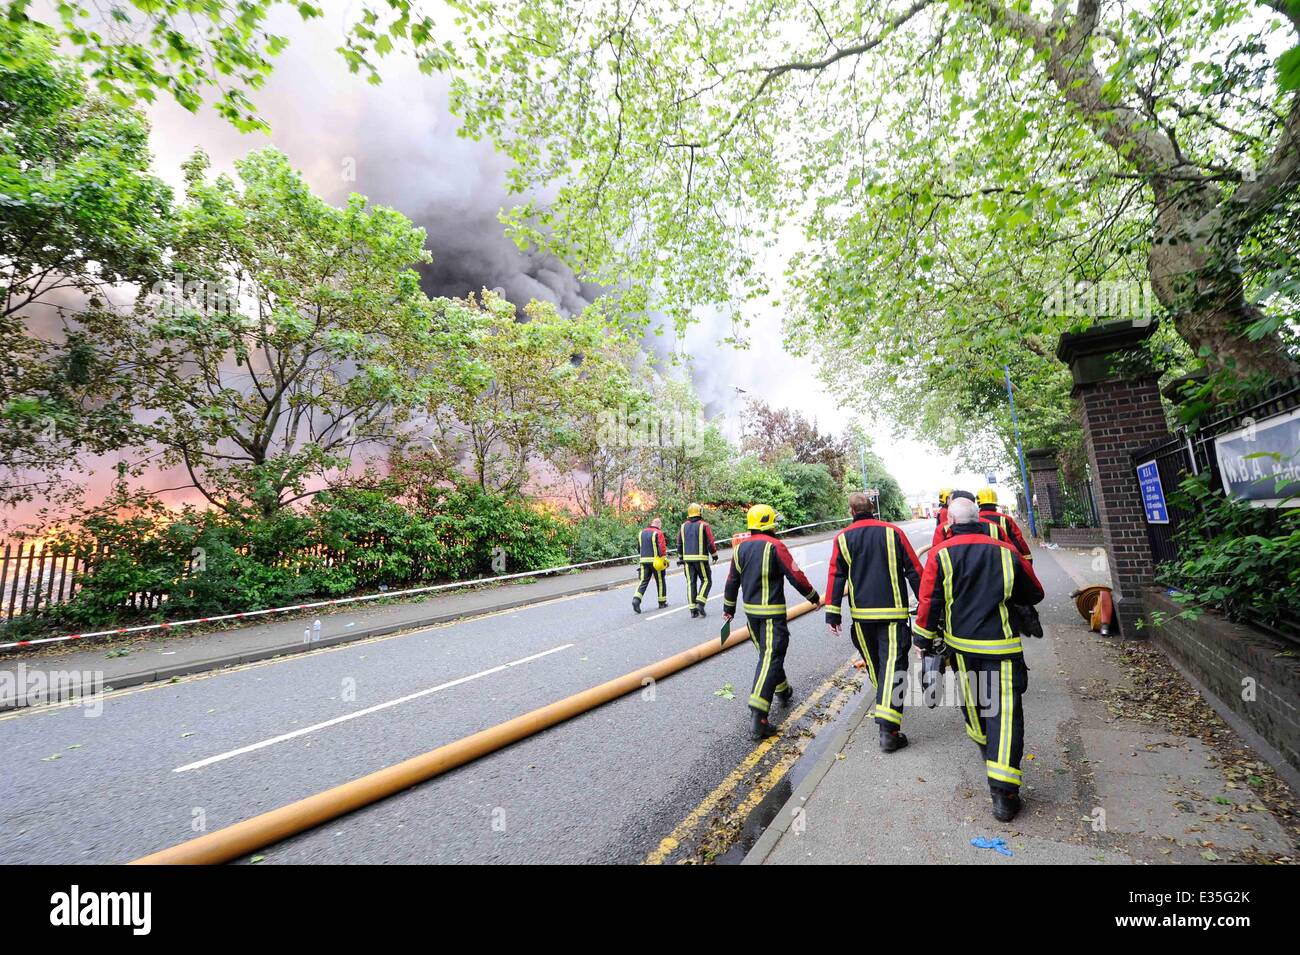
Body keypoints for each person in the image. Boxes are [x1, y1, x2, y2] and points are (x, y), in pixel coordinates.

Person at [912, 497, 1044, 822]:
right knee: (1006, 715)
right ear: (979, 519)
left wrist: (922, 641)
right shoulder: (1006, 552)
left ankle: (986, 749)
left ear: (951, 522)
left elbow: (930, 600)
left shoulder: (941, 554)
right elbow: (1035, 593)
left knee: (974, 704)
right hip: (1001, 648)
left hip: (962, 650)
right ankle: (1004, 796)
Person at [824, 492, 923, 752]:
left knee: (878, 666)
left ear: (851, 511)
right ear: (872, 509)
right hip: (892, 615)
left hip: (861, 618)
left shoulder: (842, 538)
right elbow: (913, 569)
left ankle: (886, 710)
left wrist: (832, 613)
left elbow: (836, 575)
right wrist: (926, 604)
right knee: (893, 666)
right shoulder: (893, 533)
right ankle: (888, 729)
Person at [722, 504, 821, 739]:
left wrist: (728, 609)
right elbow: (795, 574)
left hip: (751, 617)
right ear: (769, 522)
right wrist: (813, 597)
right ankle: (759, 716)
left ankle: (783, 690)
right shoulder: (775, 546)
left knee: (769, 655)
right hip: (771, 615)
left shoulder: (740, 549)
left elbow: (731, 581)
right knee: (772, 655)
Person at [677, 503, 718, 618]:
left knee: (691, 583)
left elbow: (679, 544)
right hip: (701, 559)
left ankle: (692, 610)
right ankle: (700, 602)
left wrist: (681, 557)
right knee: (706, 580)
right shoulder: (704, 525)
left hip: (687, 560)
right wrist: (714, 555)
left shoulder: (683, 526)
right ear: (700, 512)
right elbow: (710, 542)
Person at [976, 487, 1032, 562]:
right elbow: (1018, 541)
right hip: (1006, 560)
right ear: (995, 502)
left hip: (982, 561)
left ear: (978, 502)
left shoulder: (973, 520)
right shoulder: (1006, 519)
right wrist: (1027, 559)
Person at [632, 517, 669, 613]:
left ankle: (636, 600)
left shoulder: (641, 533)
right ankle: (662, 602)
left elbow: (639, 548)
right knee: (660, 581)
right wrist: (664, 560)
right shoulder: (658, 533)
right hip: (656, 562)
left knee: (643, 581)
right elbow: (662, 548)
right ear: (659, 525)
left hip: (644, 561)